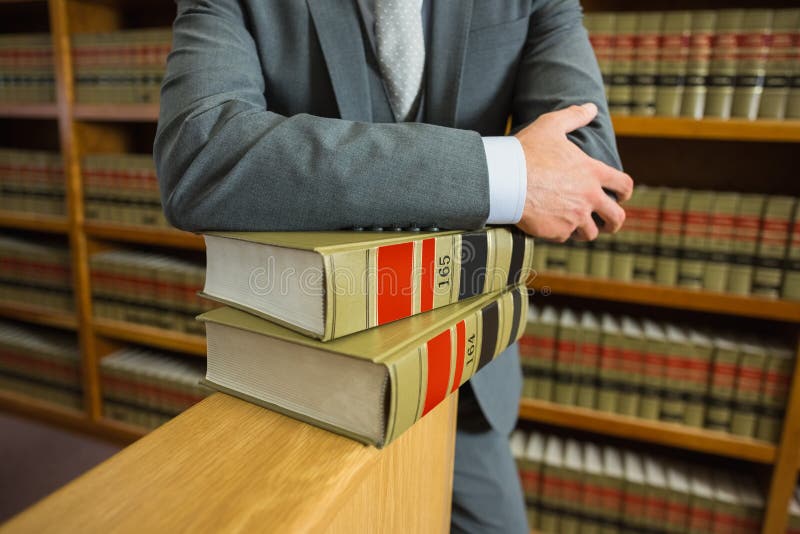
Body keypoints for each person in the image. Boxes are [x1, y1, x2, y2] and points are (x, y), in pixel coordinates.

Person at [154, 1, 633, 532]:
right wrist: (499, 176)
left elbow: (588, 166)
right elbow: (200, 156)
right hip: (302, 371)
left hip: (464, 373)